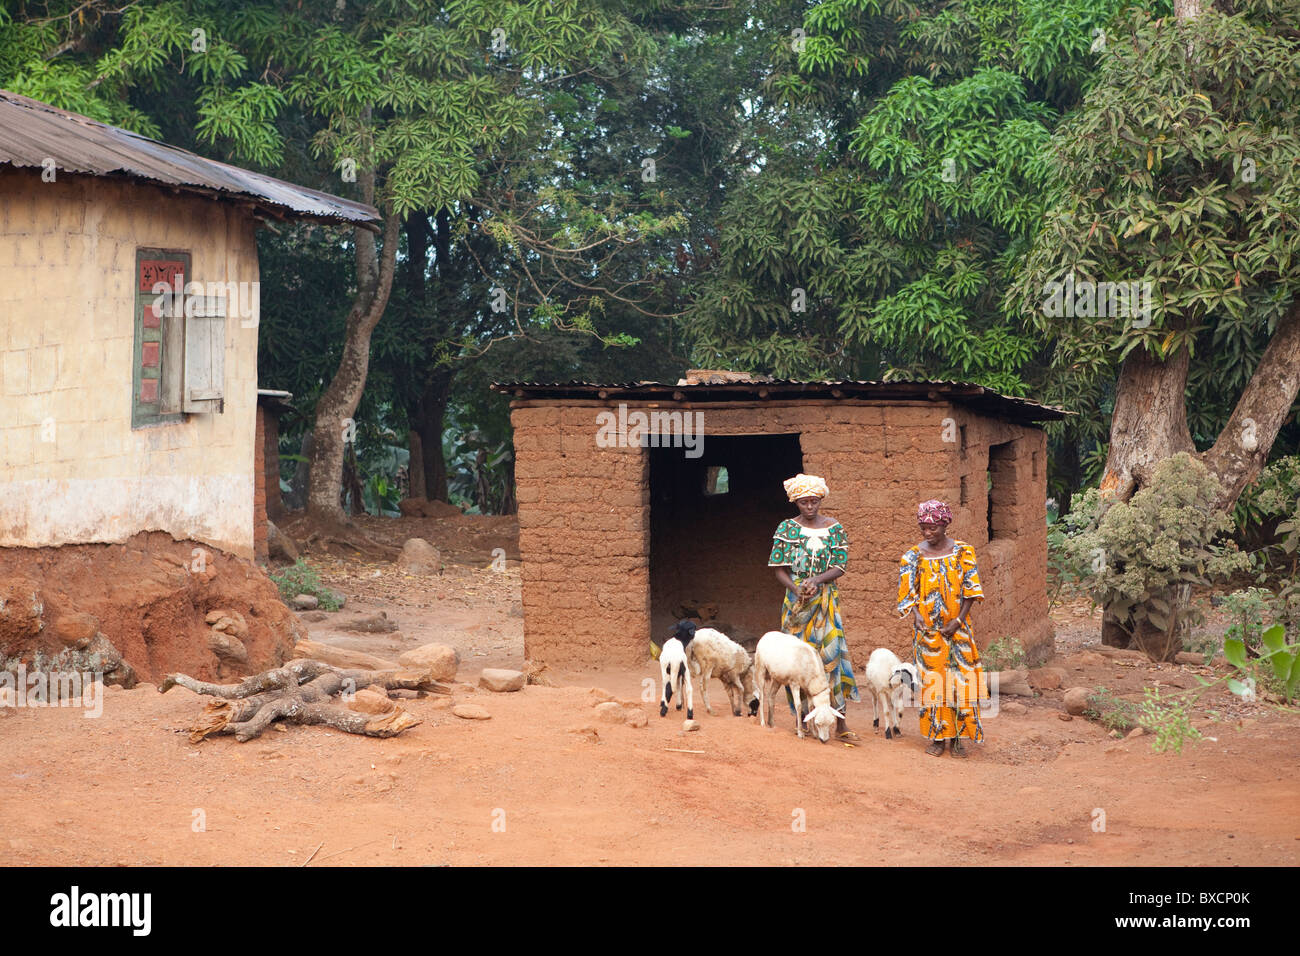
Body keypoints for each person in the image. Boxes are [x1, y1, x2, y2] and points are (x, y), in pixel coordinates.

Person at [768, 473, 860, 739]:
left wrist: (817, 580)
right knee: (797, 660)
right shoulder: (786, 529)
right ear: (796, 502)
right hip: (797, 602)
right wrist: (797, 588)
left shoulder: (834, 528)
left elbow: (840, 566)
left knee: (832, 655)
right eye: (804, 502)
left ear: (820, 500)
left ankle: (840, 722)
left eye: (814, 502)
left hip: (826, 600)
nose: (809, 507)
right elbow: (779, 569)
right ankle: (803, 719)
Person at [897, 499, 986, 757]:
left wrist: (957, 621)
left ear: (945, 524)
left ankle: (958, 738)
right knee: (932, 682)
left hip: (958, 628)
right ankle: (937, 737)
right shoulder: (912, 556)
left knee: (961, 680)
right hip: (928, 632)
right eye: (923, 528)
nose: (928, 533)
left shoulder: (962, 552)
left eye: (933, 528)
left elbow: (971, 590)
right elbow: (907, 594)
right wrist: (916, 616)